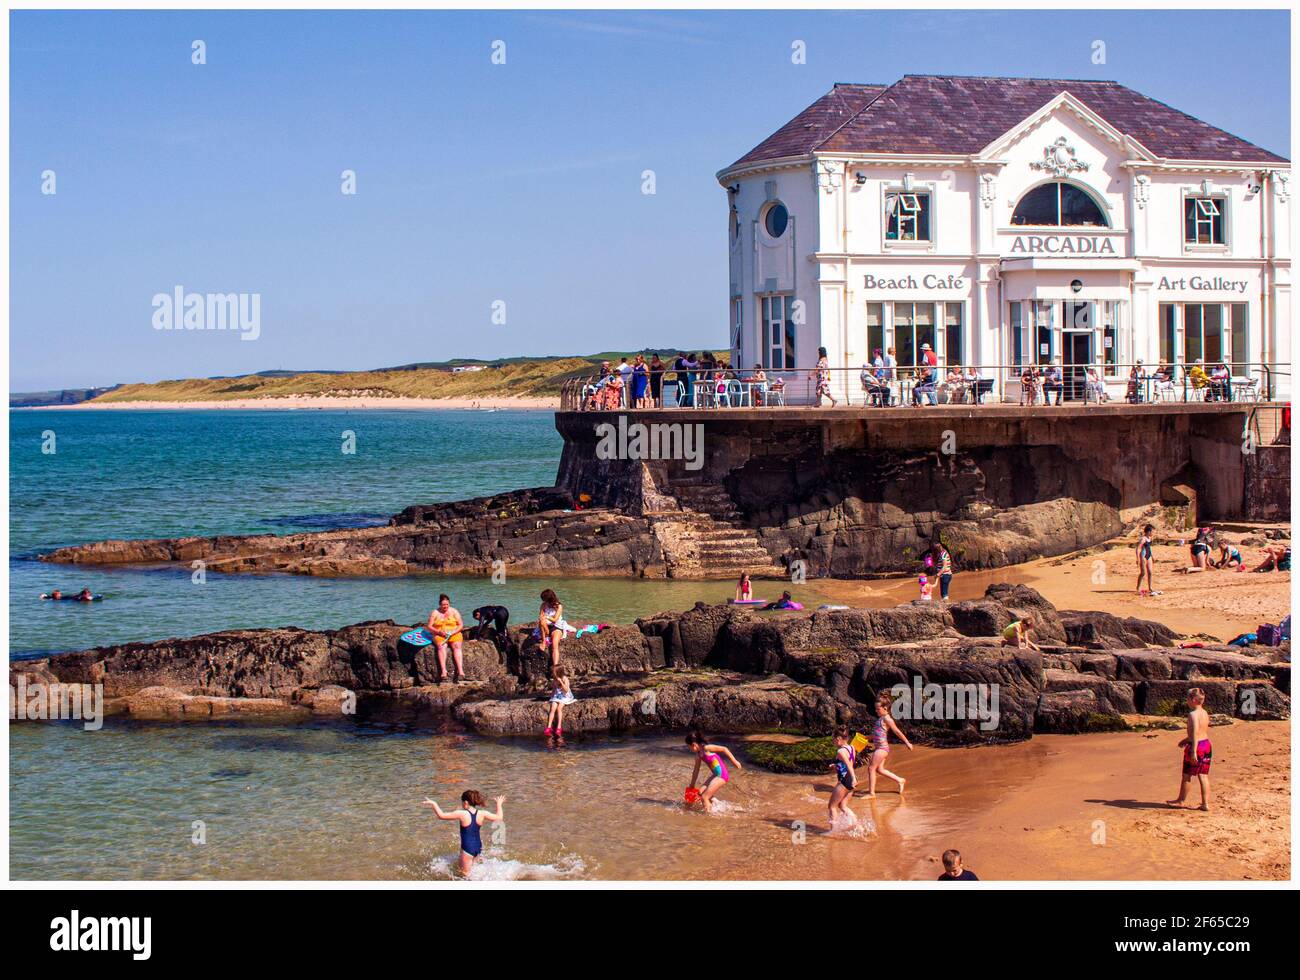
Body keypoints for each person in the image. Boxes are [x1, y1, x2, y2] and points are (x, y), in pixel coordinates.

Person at [422, 790, 506, 876]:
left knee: (464, 876)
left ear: (466, 802)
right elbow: (499, 818)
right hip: (478, 847)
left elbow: (441, 815)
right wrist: (499, 804)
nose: (462, 804)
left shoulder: (462, 814)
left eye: (462, 802)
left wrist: (434, 804)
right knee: (474, 874)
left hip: (467, 849)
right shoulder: (482, 813)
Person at [1166, 688, 1211, 811]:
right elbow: (1201, 732)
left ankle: (1181, 800)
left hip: (1196, 747)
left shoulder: (1193, 715)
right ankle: (1205, 804)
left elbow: (1195, 733)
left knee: (1187, 775)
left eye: (1187, 698)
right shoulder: (1205, 713)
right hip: (1206, 744)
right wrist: (1185, 740)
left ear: (1193, 700)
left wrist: (1193, 751)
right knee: (1203, 775)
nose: (1186, 701)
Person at [865, 694, 912, 797]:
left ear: (885, 708)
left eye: (878, 709)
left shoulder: (887, 719)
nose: (876, 711)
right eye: (875, 709)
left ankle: (871, 793)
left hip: (882, 748)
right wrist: (866, 738)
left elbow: (897, 731)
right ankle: (900, 780)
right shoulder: (880, 719)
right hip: (880, 748)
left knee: (871, 768)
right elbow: (876, 734)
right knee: (879, 769)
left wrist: (907, 742)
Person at [685, 730, 742, 813]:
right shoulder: (698, 756)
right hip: (716, 775)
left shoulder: (706, 748)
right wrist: (692, 785)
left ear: (693, 745)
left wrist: (735, 761)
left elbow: (724, 749)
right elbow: (696, 771)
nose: (689, 749)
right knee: (700, 793)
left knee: (704, 797)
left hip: (721, 775)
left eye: (689, 747)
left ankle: (708, 817)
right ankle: (718, 804)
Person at [426, 594, 466, 682]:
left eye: (447, 604)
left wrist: (453, 632)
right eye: (443, 605)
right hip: (439, 633)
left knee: (457, 646)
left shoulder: (454, 611)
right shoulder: (435, 613)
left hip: (453, 633)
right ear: (440, 604)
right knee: (441, 646)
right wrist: (438, 632)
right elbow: (429, 626)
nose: (445, 606)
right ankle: (444, 670)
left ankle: (460, 670)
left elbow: (460, 625)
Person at [827, 725, 858, 826]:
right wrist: (836, 765)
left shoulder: (840, 751)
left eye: (833, 739)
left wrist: (853, 778)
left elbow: (848, 765)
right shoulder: (851, 747)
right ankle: (856, 824)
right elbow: (849, 762)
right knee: (842, 806)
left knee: (831, 806)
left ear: (839, 739)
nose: (833, 742)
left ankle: (833, 830)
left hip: (845, 781)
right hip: (850, 781)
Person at [537, 588, 575, 666]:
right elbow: (541, 616)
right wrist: (543, 618)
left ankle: (555, 667)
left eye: (545, 599)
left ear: (550, 599)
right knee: (541, 621)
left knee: (555, 645)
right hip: (545, 626)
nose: (544, 601)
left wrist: (546, 617)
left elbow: (554, 620)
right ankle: (544, 641)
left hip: (556, 626)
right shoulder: (543, 605)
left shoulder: (559, 606)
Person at [544, 664, 574, 737]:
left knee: (559, 708)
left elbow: (566, 690)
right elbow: (554, 690)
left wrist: (561, 682)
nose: (552, 673)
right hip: (557, 696)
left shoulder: (565, 679)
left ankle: (559, 727)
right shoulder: (554, 680)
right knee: (553, 708)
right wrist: (551, 698)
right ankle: (549, 726)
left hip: (565, 696)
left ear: (558, 672)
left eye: (553, 672)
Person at [1135, 523, 1155, 596]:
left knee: (1150, 572)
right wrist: (1138, 558)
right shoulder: (1143, 539)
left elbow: (1149, 548)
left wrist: (1152, 556)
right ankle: (1138, 587)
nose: (1153, 533)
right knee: (1143, 573)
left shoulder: (1150, 538)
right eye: (1152, 531)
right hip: (1143, 556)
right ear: (1148, 531)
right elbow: (1138, 548)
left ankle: (1150, 587)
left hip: (1148, 555)